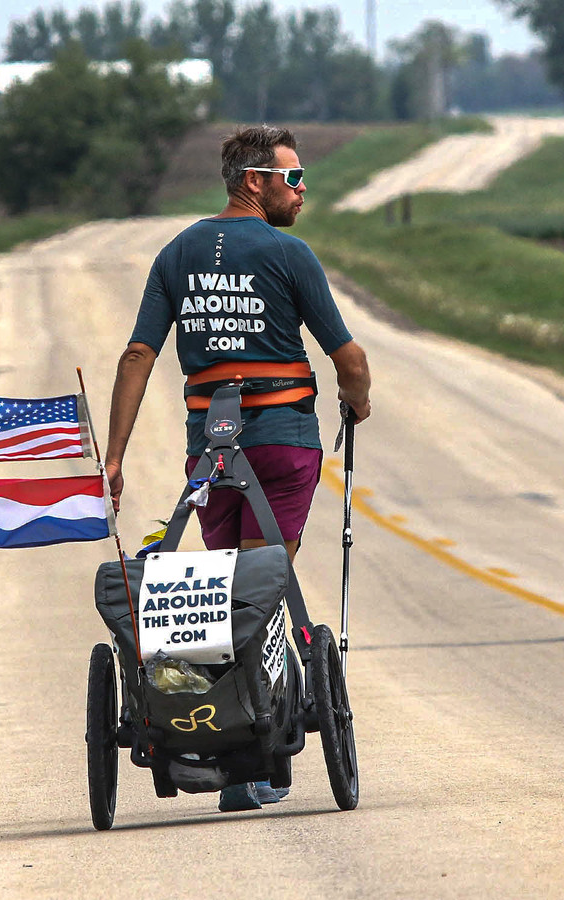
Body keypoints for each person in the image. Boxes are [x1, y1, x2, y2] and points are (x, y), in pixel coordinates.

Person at [104, 124, 371, 813]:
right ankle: (256, 759)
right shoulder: (289, 254)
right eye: (294, 176)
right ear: (254, 180)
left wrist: (115, 456)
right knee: (268, 580)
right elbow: (349, 357)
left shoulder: (177, 253)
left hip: (210, 456)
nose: (302, 188)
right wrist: (357, 404)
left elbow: (139, 356)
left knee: (231, 588)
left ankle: (221, 732)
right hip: (283, 444)